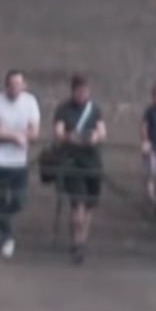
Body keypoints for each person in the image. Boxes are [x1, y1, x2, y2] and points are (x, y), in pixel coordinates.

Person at [0, 70, 40, 259]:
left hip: (19, 161)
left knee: (19, 200)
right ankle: (7, 238)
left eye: (19, 84)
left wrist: (9, 133)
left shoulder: (30, 102)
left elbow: (34, 133)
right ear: (6, 85)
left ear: (24, 85)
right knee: (0, 199)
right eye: (12, 84)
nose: (15, 88)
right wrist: (14, 135)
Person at [51, 75, 106, 264]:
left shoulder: (95, 109)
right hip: (72, 161)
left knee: (89, 205)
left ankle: (82, 239)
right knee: (78, 203)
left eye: (85, 91)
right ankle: (77, 241)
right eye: (79, 91)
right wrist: (68, 136)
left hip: (92, 161)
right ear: (73, 90)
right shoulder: (63, 109)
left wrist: (94, 137)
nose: (83, 94)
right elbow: (57, 132)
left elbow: (102, 131)